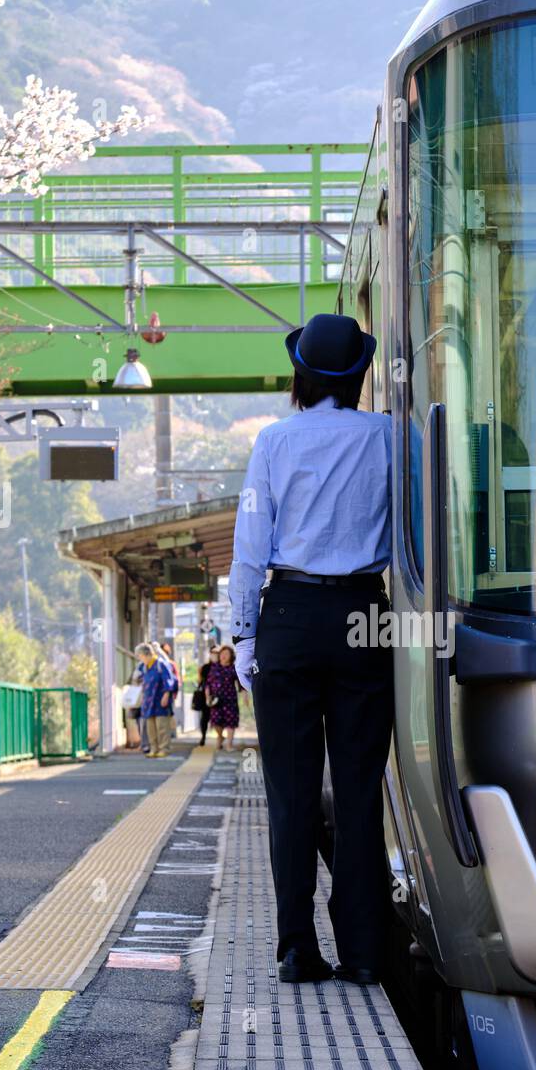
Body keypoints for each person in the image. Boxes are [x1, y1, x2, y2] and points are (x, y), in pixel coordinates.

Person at [229, 312, 393, 986]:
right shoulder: (390, 437)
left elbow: (249, 548)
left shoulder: (273, 442)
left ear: (299, 377)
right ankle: (362, 952)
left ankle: (298, 947)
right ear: (359, 378)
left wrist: (243, 634)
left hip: (289, 616)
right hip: (365, 616)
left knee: (292, 794)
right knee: (359, 792)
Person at [135, 642, 176, 757]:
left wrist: (166, 695)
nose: (140, 658)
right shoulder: (144, 667)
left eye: (140, 656)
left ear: (147, 654)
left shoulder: (161, 664)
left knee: (161, 726)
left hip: (160, 699)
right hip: (148, 701)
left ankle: (164, 748)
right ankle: (154, 748)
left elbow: (169, 680)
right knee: (150, 727)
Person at [204, 644, 240, 751]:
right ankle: (220, 736)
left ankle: (229, 745)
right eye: (222, 654)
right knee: (215, 722)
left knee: (231, 722)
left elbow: (240, 684)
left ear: (231, 656)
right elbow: (208, 684)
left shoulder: (234, 668)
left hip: (230, 700)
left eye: (226, 654)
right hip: (216, 700)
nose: (223, 656)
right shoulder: (214, 668)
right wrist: (207, 697)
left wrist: (245, 696)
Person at [194, 644, 220, 745]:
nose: (215, 655)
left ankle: (219, 738)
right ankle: (203, 736)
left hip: (220, 696)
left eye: (217, 653)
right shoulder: (205, 667)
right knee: (205, 717)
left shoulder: (224, 667)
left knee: (218, 718)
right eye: (213, 653)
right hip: (206, 696)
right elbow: (200, 681)